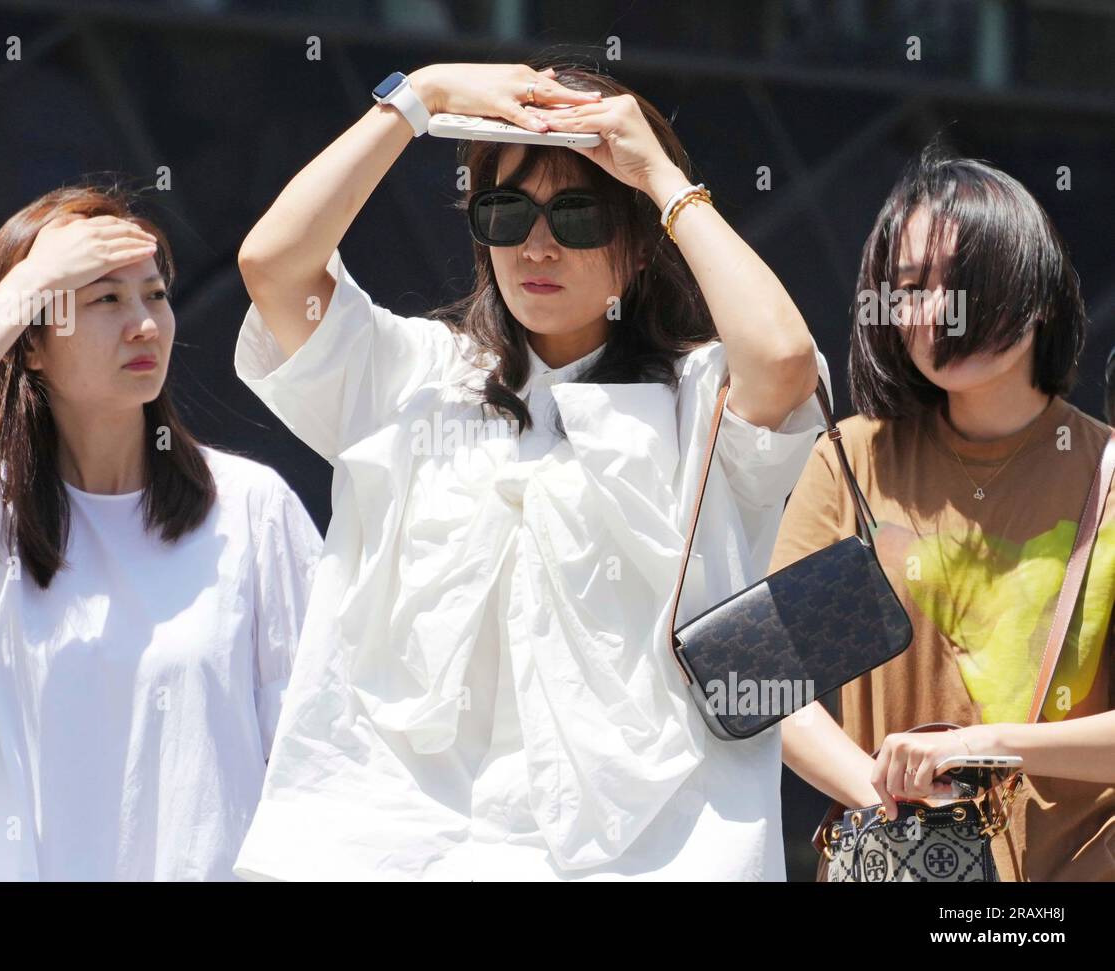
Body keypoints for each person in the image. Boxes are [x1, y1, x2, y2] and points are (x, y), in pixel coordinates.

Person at [231, 59, 831, 880]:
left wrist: (659, 175)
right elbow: (274, 265)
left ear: (642, 237)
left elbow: (784, 356)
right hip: (388, 846)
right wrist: (423, 96)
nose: (536, 243)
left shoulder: (700, 402)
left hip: (650, 856)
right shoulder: (410, 378)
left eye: (578, 214)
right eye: (505, 211)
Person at [0, 183, 323, 880]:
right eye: (106, 299)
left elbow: (313, 747)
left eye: (155, 294)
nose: (144, 323)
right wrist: (32, 281)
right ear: (33, 345)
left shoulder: (251, 506)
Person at [773, 146, 1115, 881]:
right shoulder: (854, 461)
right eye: (911, 286)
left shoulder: (1106, 473)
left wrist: (983, 745)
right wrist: (885, 791)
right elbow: (773, 682)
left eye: (969, 279)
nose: (940, 308)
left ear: (1043, 292)